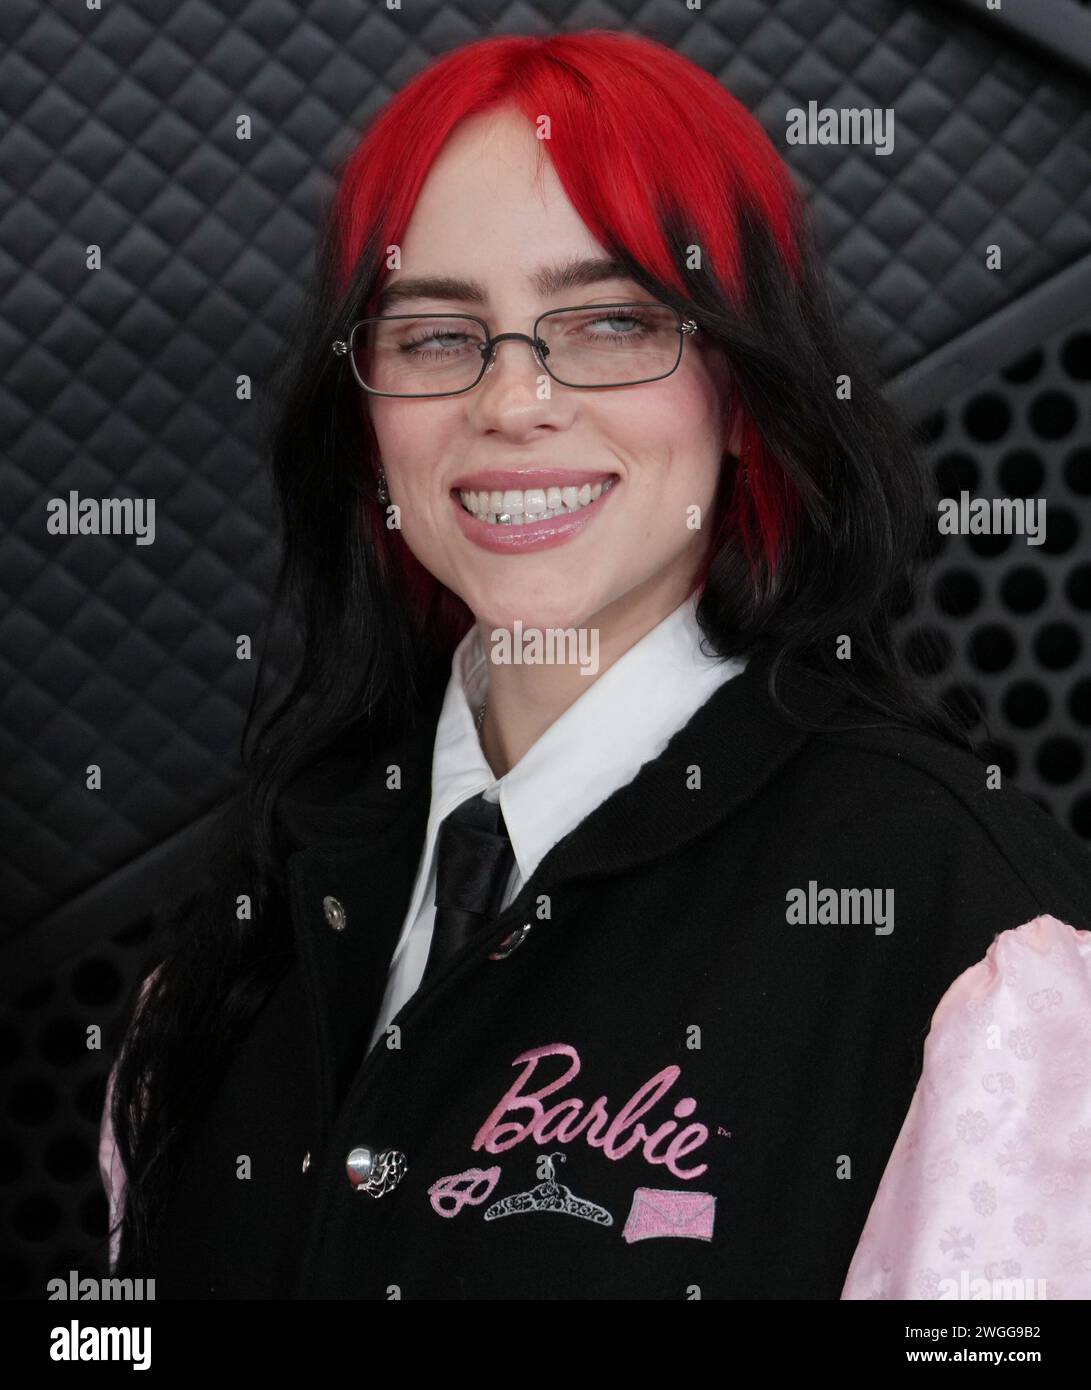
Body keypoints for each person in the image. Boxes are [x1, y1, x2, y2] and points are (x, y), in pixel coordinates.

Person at [99, 29, 1091, 1299]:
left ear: (742, 391)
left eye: (612, 321)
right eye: (435, 336)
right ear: (366, 419)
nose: (513, 403)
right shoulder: (238, 936)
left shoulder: (978, 940)